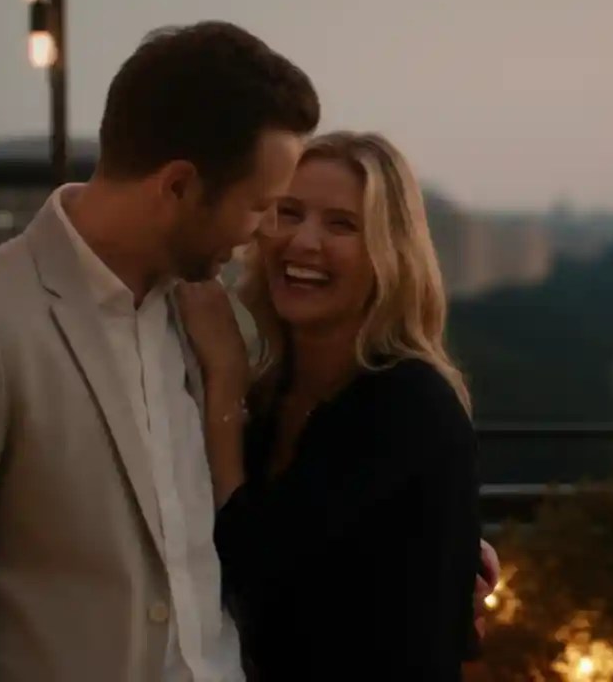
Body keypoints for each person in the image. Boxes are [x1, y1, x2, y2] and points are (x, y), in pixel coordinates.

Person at [0, 21, 318, 682]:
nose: (267, 231)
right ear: (177, 187)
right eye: (258, 206)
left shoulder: (211, 315)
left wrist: (429, 544)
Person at [177, 131, 483, 679]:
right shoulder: (273, 393)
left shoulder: (408, 403)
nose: (302, 242)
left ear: (388, 255)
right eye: (287, 213)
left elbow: (249, 564)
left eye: (341, 224)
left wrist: (222, 383)